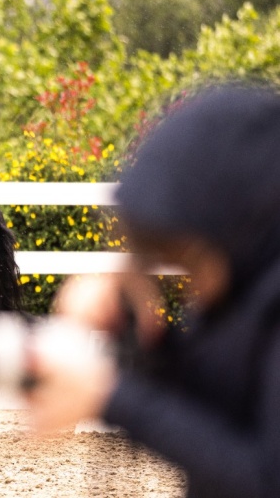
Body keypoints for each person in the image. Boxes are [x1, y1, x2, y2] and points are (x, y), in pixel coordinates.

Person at [27, 84, 280, 497]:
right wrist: (139, 340)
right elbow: (215, 403)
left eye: (188, 258)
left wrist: (111, 396)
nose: (186, 284)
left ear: (238, 219)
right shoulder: (249, 283)